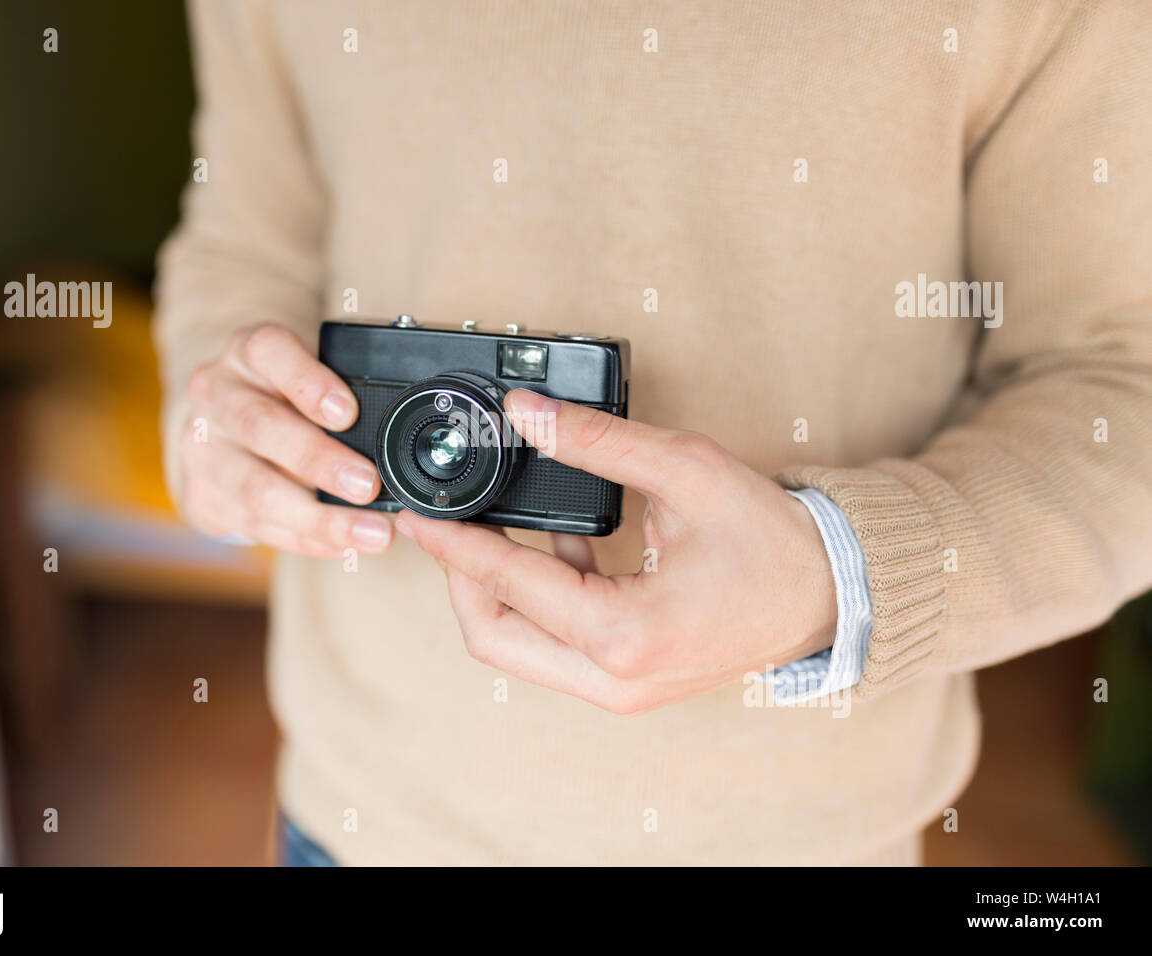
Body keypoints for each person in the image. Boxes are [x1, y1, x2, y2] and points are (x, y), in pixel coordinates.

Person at [154, 0, 1152, 865]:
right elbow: (243, 239)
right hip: (356, 810)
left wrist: (835, 575)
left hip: (789, 838)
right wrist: (211, 412)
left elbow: (1122, 383)